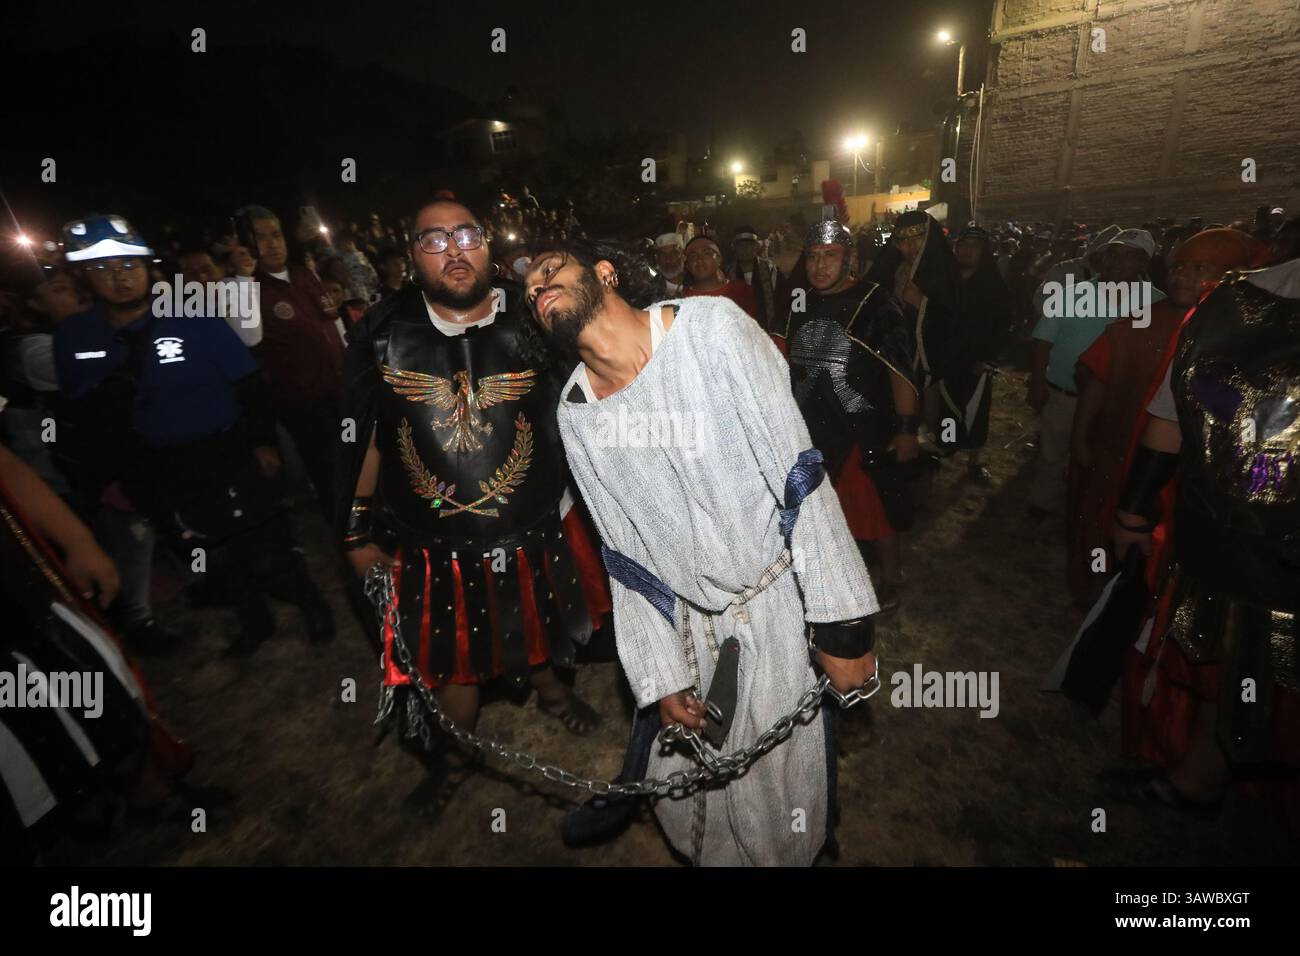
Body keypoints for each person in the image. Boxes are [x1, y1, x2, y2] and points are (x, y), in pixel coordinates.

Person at [522, 236, 880, 866]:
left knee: (782, 797)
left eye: (552, 270)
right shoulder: (576, 413)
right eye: (528, 289)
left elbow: (799, 473)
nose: (537, 286)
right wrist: (660, 674)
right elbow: (625, 555)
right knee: (703, 800)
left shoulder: (710, 331)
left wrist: (842, 624)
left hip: (774, 611)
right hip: (686, 626)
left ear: (605, 273)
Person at [337, 198, 611, 815]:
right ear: (411, 257)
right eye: (433, 239)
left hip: (534, 525)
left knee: (539, 625)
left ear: (487, 243)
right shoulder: (382, 332)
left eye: (465, 234)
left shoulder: (537, 314)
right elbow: (367, 439)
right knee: (449, 666)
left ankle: (555, 697)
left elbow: (595, 384)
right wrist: (355, 533)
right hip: (435, 547)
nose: (453, 249)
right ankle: (456, 760)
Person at [53, 213, 334, 656]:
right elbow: (86, 416)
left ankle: (313, 606)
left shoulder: (192, 318)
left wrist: (262, 442)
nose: (120, 278)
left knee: (266, 540)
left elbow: (250, 383)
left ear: (147, 267)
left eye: (129, 265)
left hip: (227, 451)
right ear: (83, 276)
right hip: (160, 466)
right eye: (103, 269)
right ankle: (253, 619)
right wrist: (118, 477)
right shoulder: (74, 336)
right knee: (211, 551)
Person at [1112, 254, 1300, 827]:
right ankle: (1201, 776)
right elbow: (1170, 417)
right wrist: (1133, 512)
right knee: (1230, 661)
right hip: (1234, 548)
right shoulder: (1230, 307)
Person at [1069, 229, 1266, 609]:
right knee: (1103, 530)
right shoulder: (1139, 323)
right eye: (1178, 268)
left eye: (1199, 268)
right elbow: (1096, 380)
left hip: (1197, 481)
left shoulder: (1249, 339)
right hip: (1124, 456)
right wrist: (1080, 439)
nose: (1182, 277)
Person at [773, 219, 918, 611]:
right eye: (813, 257)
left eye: (830, 257)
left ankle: (890, 578)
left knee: (873, 512)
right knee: (820, 514)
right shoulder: (798, 298)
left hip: (860, 429)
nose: (819, 266)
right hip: (808, 428)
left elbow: (899, 370)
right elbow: (779, 355)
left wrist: (906, 430)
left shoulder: (876, 302)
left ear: (850, 259)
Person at [1026, 229, 1160, 520]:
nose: (1117, 262)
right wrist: (1036, 381)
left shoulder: (1156, 304)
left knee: (1101, 458)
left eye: (1129, 256)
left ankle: (1089, 511)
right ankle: (1043, 502)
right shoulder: (1074, 293)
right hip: (1064, 393)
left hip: (1117, 403)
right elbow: (1044, 340)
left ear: (1143, 264)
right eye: (1113, 254)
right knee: (1052, 449)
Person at [240, 204, 345, 514]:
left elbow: (334, 324)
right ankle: (349, 547)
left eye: (276, 235)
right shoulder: (246, 289)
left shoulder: (304, 275)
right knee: (331, 477)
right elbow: (249, 338)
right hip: (306, 404)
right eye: (260, 237)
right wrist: (241, 279)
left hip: (340, 391)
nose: (272, 243)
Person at [950, 224, 1014, 483]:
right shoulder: (946, 280)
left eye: (974, 247)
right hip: (945, 360)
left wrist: (988, 358)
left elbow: (1003, 326)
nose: (967, 252)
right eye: (963, 246)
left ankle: (974, 463)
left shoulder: (993, 286)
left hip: (976, 363)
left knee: (975, 412)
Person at [682, 236, 759, 320]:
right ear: (687, 265)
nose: (699, 259)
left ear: (719, 259)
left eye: (706, 253)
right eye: (693, 256)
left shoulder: (742, 291)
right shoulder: (682, 298)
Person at [727, 225, 777, 330]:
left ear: (756, 247)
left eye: (749, 245)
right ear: (734, 248)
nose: (745, 249)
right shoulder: (727, 273)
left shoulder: (770, 269)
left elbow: (780, 299)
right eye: (741, 246)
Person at [651, 232, 686, 297]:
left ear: (683, 256)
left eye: (674, 253)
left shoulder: (697, 282)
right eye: (663, 255)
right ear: (657, 259)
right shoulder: (650, 289)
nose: (668, 259)